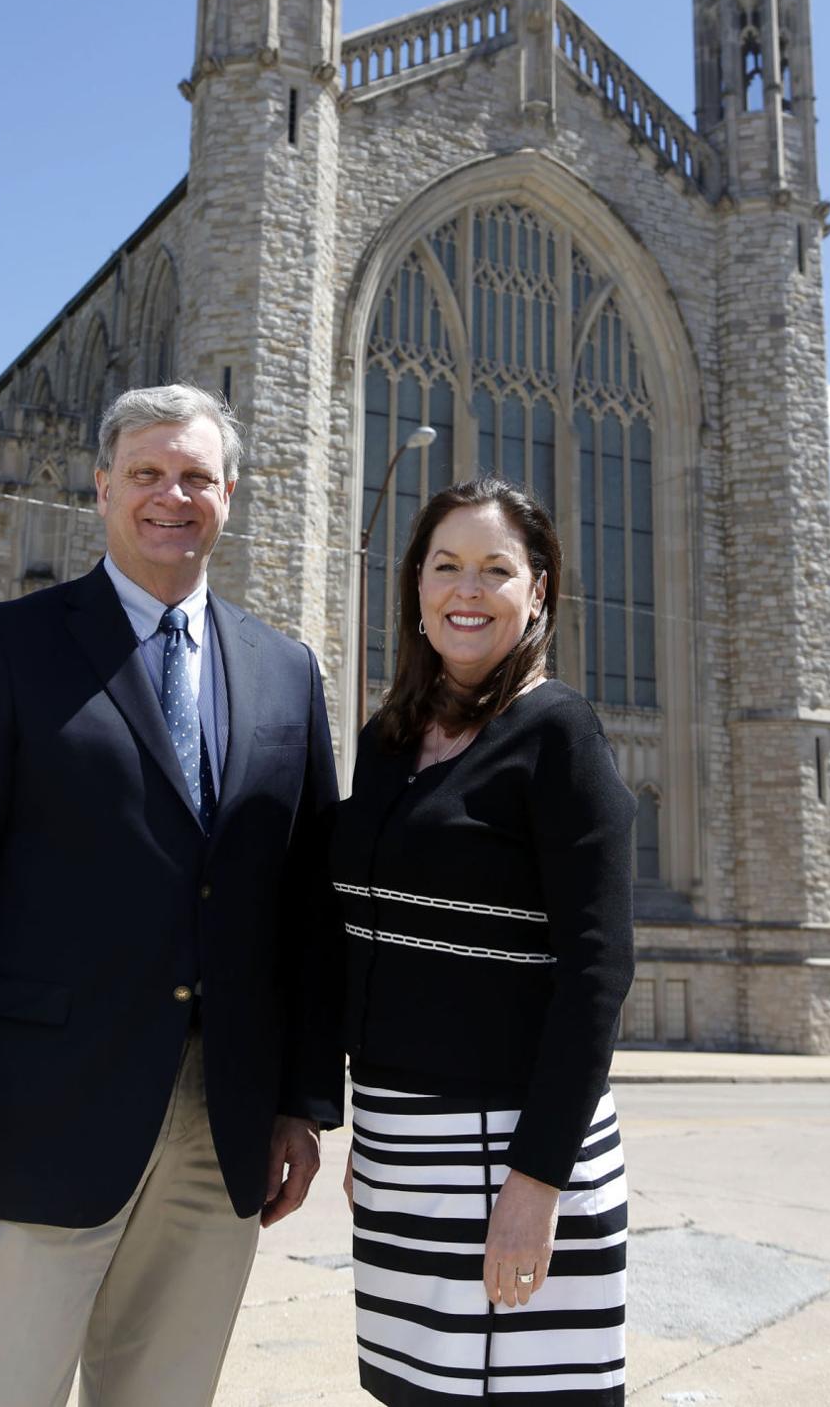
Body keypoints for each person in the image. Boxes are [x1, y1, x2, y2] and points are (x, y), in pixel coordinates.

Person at [0, 382, 343, 1407]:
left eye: (195, 475)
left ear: (232, 493)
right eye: (146, 472)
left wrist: (302, 1105)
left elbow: (307, 904)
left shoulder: (286, 674)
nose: (171, 494)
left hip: (217, 1129)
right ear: (101, 489)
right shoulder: (8, 646)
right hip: (33, 1123)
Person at [333, 476, 637, 1405]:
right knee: (414, 1392)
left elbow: (597, 973)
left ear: (536, 591)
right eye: (447, 565)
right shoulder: (388, 741)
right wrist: (365, 1122)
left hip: (514, 1154)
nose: (467, 589)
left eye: (496, 569)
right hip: (398, 1153)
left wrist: (536, 1184)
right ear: (416, 586)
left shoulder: (560, 734)